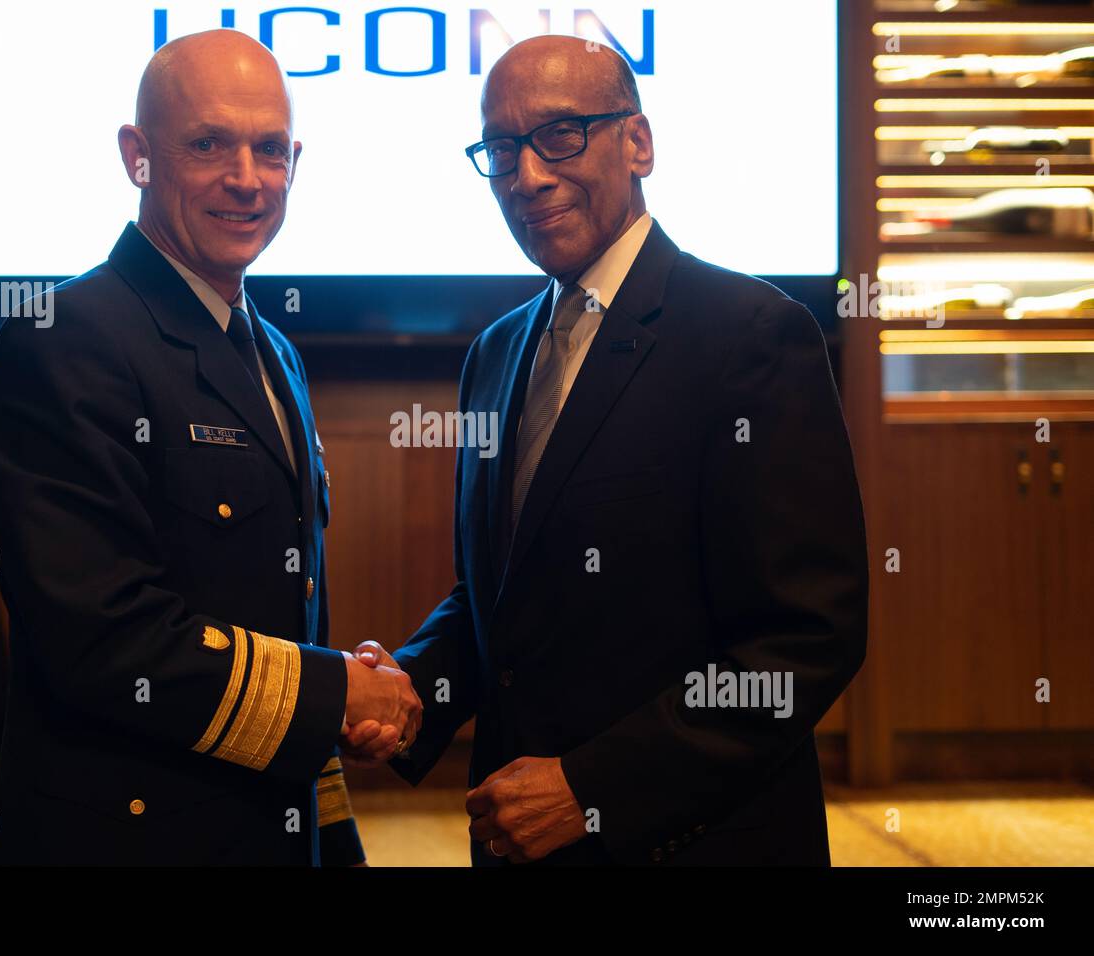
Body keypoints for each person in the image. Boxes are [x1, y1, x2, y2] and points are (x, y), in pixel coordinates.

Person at [349, 35, 868, 866]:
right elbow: (505, 593)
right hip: (515, 844)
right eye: (503, 149)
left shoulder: (754, 335)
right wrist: (409, 686)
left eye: (561, 135)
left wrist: (595, 790)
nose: (528, 176)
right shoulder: (496, 351)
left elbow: (806, 638)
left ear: (639, 142)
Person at [0, 29, 419, 866]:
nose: (246, 179)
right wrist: (334, 693)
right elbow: (104, 641)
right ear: (137, 155)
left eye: (270, 150)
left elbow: (272, 607)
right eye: (208, 144)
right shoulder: (64, 339)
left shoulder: (272, 352)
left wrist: (336, 716)